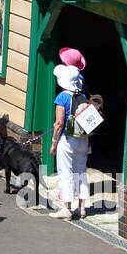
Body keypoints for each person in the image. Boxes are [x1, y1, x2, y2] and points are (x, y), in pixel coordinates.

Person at [49, 63, 92, 220]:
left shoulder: (62, 97)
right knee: (81, 173)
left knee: (65, 174)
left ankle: (66, 209)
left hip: (67, 140)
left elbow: (59, 123)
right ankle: (81, 208)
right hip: (83, 140)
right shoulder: (83, 96)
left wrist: (53, 143)